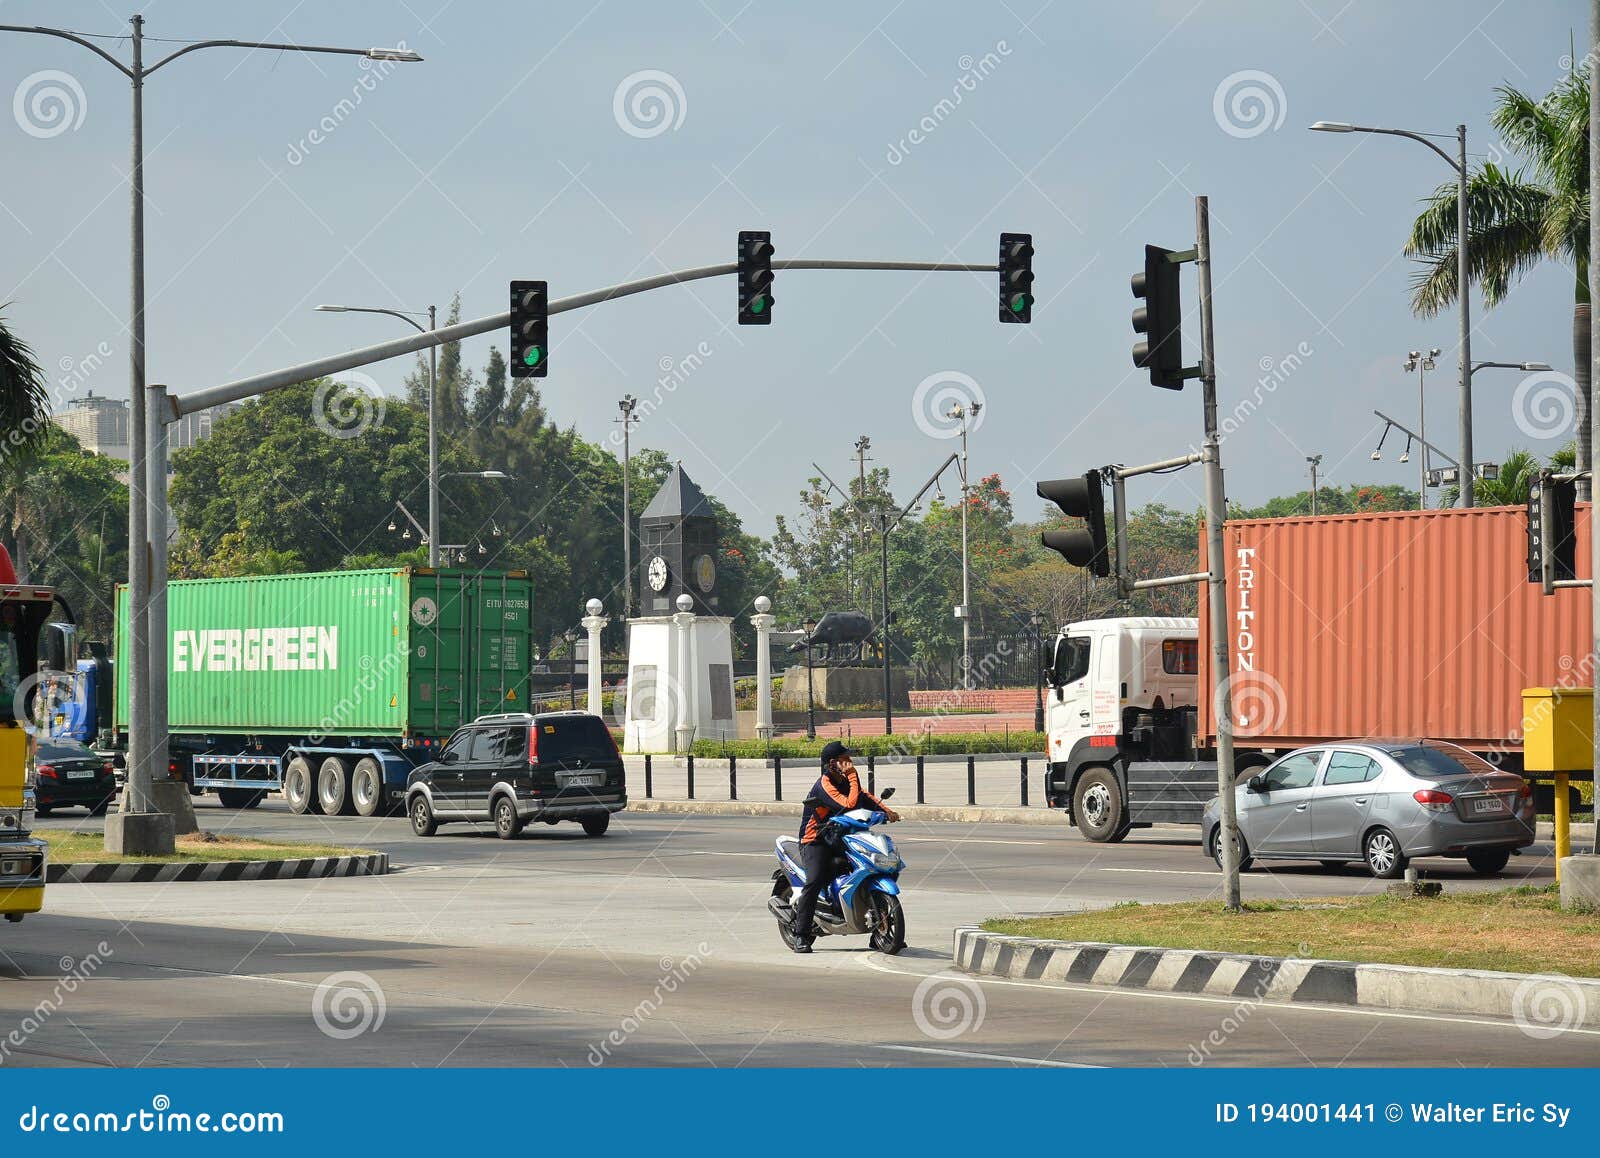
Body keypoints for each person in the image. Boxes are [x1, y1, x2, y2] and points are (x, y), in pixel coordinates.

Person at [790, 739, 899, 953]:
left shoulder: (849, 779)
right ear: (832, 764)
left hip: (842, 836)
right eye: (845, 759)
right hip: (816, 840)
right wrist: (852, 776)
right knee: (815, 880)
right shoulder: (824, 785)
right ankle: (801, 934)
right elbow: (848, 804)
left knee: (875, 866)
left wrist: (887, 812)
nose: (850, 762)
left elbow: (864, 797)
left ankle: (879, 932)